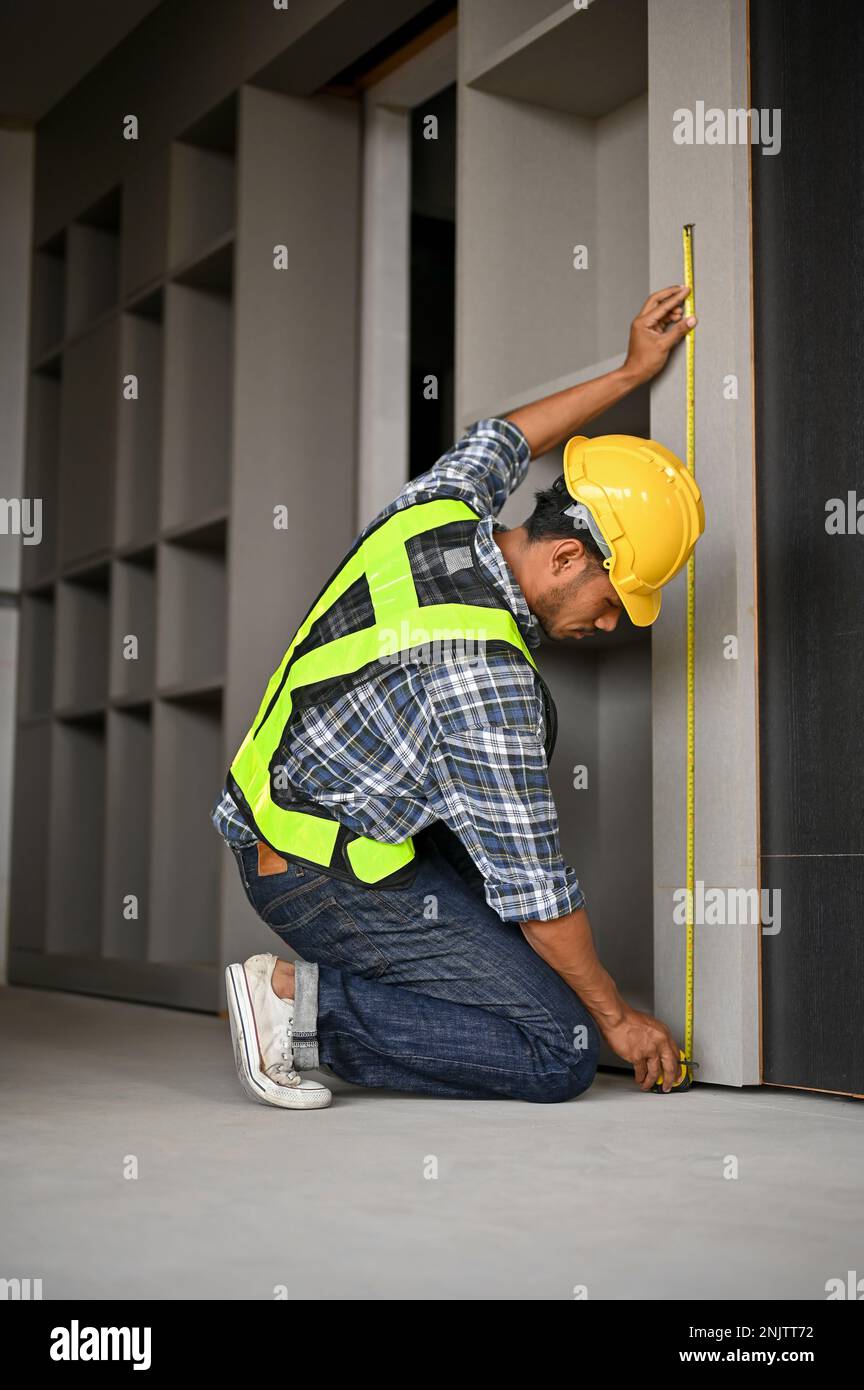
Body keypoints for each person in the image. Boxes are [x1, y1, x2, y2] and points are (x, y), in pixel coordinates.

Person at [213, 286, 702, 1110]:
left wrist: (631, 373)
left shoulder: (433, 514)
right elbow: (540, 896)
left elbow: (506, 437)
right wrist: (618, 1020)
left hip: (310, 818)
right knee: (560, 1051)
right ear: (565, 558)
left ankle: (352, 1000)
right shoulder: (487, 678)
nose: (609, 623)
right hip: (317, 870)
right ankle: (294, 1009)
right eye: (613, 600)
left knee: (538, 986)